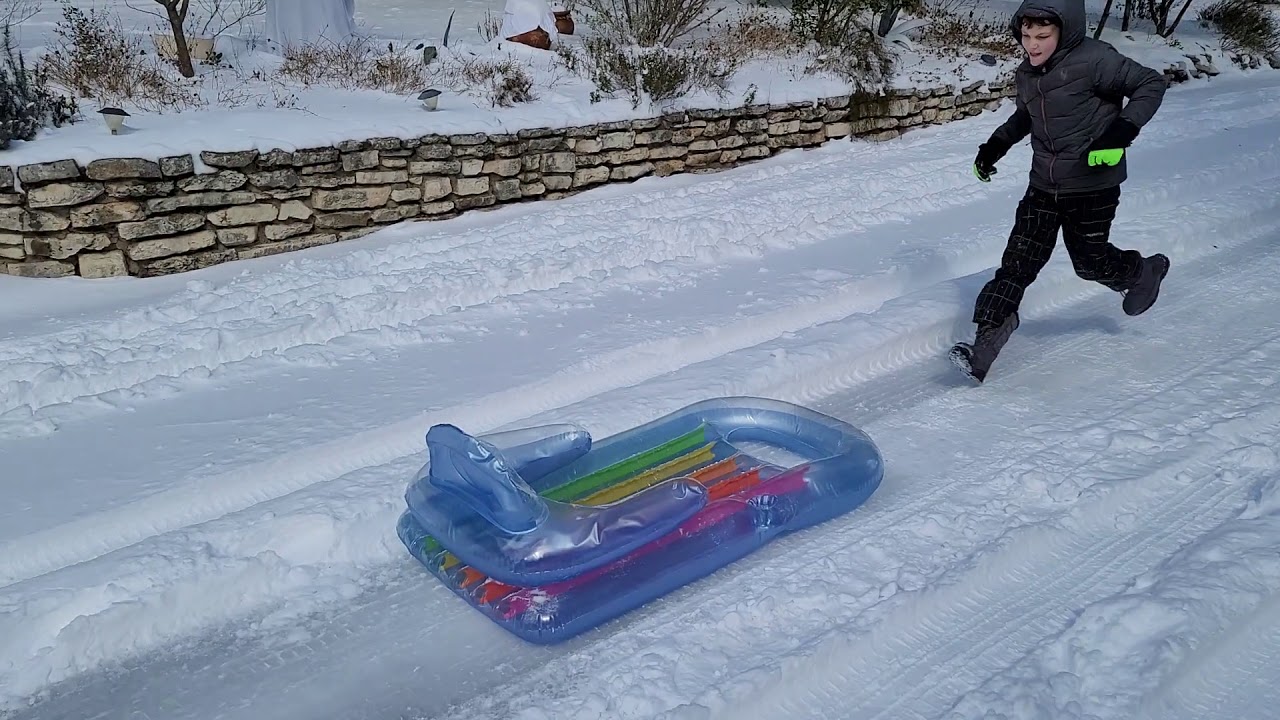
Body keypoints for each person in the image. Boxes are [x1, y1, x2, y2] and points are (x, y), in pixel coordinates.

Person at [950, 0, 1171, 383]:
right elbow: (1026, 115)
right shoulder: (1028, 73)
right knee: (1017, 264)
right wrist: (994, 146)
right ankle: (983, 348)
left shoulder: (1095, 60)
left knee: (1089, 263)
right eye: (1026, 35)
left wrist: (1121, 133)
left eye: (1042, 36)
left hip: (1092, 184)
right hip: (1043, 185)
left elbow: (1151, 83)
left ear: (1064, 31)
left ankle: (1141, 272)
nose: (1031, 45)